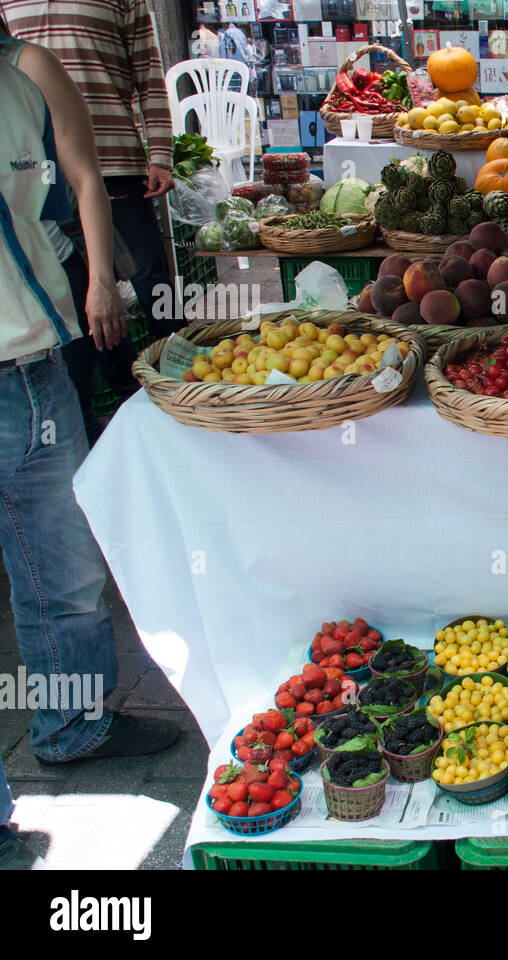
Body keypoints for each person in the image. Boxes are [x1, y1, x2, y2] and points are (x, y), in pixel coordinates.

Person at [0, 37, 179, 872]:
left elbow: (83, 175)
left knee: (63, 567)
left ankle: (72, 725)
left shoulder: (26, 71)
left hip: (34, 359)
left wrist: (101, 275)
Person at [0, 0, 180, 346]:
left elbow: (149, 75)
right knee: (77, 284)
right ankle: (121, 387)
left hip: (116, 158)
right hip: (44, 173)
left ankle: (183, 360)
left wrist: (160, 155)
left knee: (150, 277)